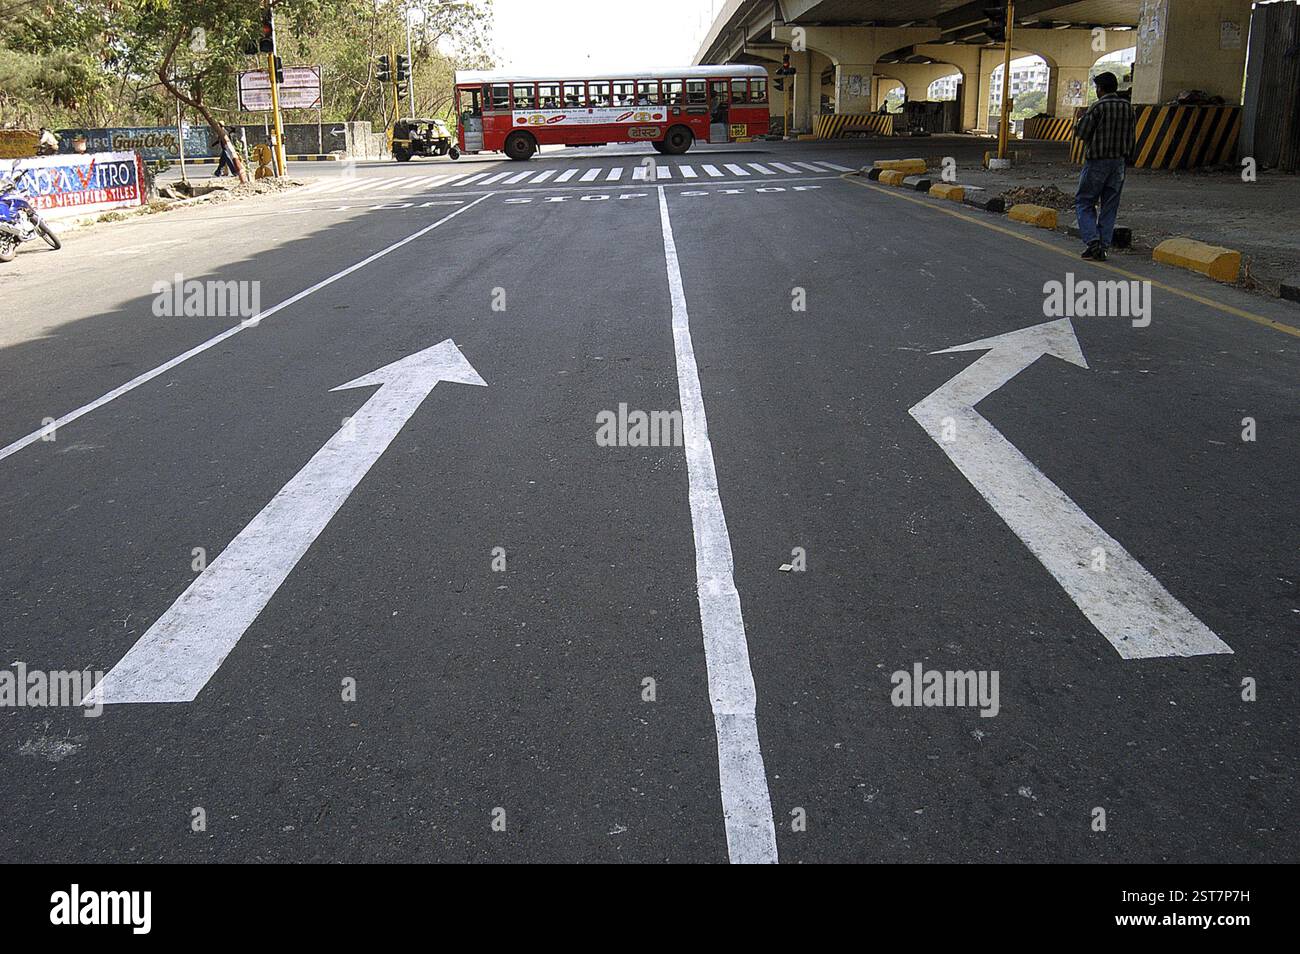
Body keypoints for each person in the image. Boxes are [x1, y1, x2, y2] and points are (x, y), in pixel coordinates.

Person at [1072, 71, 1136, 262]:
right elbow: (1131, 137)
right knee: (1110, 206)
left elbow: (1082, 133)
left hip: (1097, 161)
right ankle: (1104, 245)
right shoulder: (1128, 108)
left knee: (1084, 201)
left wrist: (1080, 120)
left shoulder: (1098, 107)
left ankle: (1093, 242)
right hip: (1118, 163)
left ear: (1100, 89)